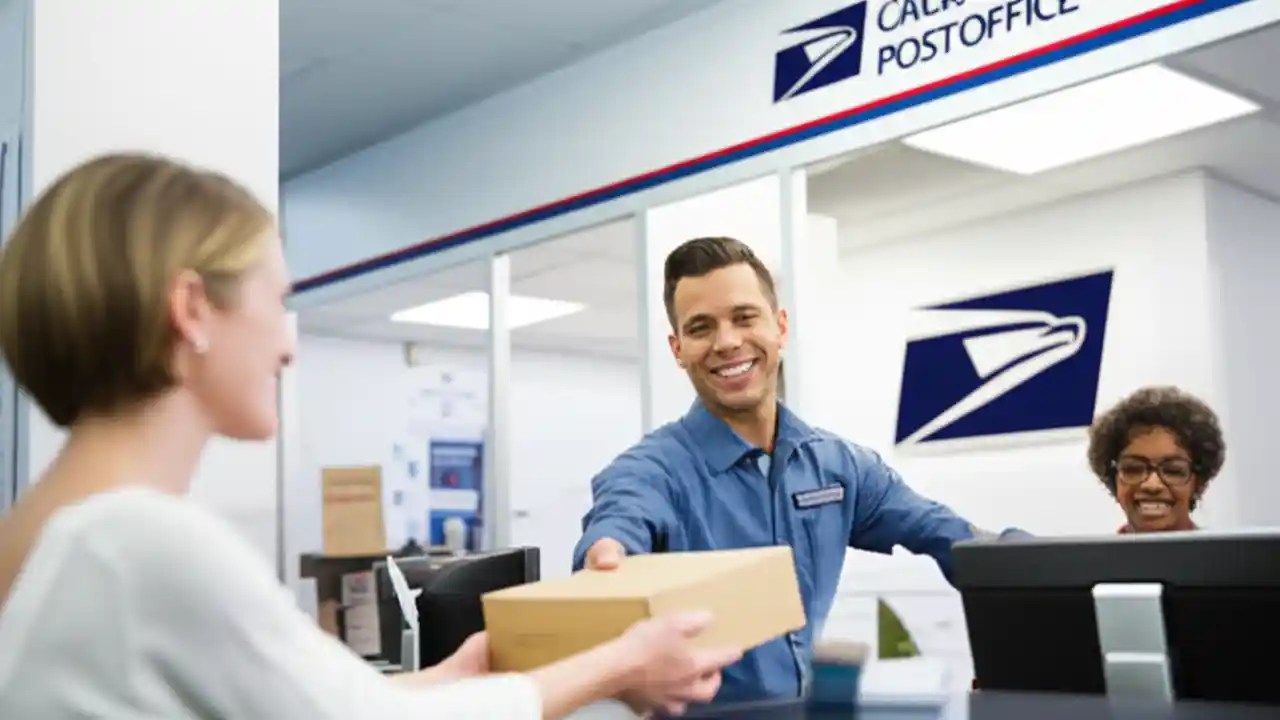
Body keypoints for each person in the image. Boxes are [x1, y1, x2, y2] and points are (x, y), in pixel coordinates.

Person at [0, 153, 741, 719]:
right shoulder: (136, 542)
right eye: (278, 300)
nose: (289, 346)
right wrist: (621, 664)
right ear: (192, 310)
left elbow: (319, 706)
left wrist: (451, 677)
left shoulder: (62, 532)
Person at [572, 236, 1024, 704]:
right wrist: (606, 556)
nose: (727, 342)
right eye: (701, 328)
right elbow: (618, 524)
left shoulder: (837, 466)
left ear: (779, 326)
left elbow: (947, 534)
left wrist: (1050, 566)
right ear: (678, 348)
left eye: (744, 318)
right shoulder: (652, 471)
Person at [1087, 385, 1225, 534]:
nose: (1152, 485)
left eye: (1173, 471)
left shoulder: (1228, 557)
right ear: (1113, 479)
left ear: (1199, 483)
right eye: (1133, 469)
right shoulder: (1088, 557)